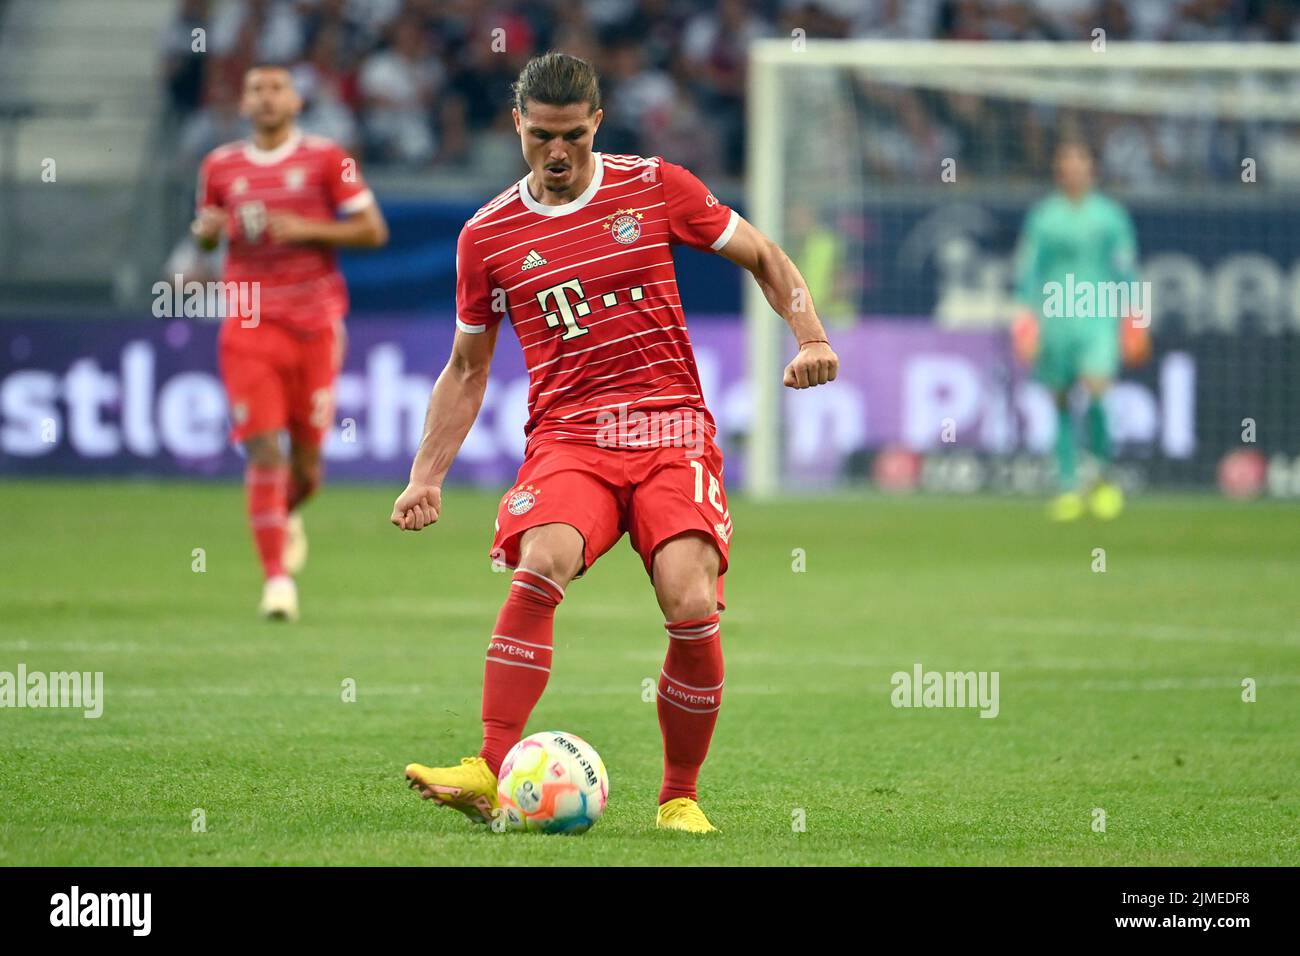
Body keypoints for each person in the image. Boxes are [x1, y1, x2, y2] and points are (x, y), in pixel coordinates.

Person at [391, 52, 838, 833]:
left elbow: (765, 256)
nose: (556, 154)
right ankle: (487, 768)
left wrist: (810, 336)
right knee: (541, 562)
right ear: (517, 127)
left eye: (571, 136)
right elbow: (467, 367)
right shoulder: (487, 235)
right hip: (571, 437)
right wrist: (426, 476)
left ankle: (678, 798)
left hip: (671, 431)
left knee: (691, 600)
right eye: (539, 139)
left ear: (597, 123)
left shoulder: (656, 186)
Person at [192, 64, 389, 620]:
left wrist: (308, 230)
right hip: (250, 323)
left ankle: (284, 516)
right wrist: (204, 237)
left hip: (316, 325)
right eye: (255, 89)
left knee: (306, 472)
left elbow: (374, 230)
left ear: (296, 101)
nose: (266, 98)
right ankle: (277, 581)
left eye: (277, 88)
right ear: (244, 102)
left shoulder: (329, 158)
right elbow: (206, 235)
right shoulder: (219, 166)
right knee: (264, 450)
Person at [1012, 140, 1142, 521]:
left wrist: (1136, 320)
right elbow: (1028, 271)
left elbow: (1127, 268)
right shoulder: (1044, 217)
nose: (1072, 169)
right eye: (1065, 162)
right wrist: (1023, 320)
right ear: (1058, 170)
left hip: (1098, 315)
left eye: (1079, 161)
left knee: (1098, 389)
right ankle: (1068, 484)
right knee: (1062, 400)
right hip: (1055, 318)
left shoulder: (1110, 215)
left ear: (1091, 168)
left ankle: (1100, 476)